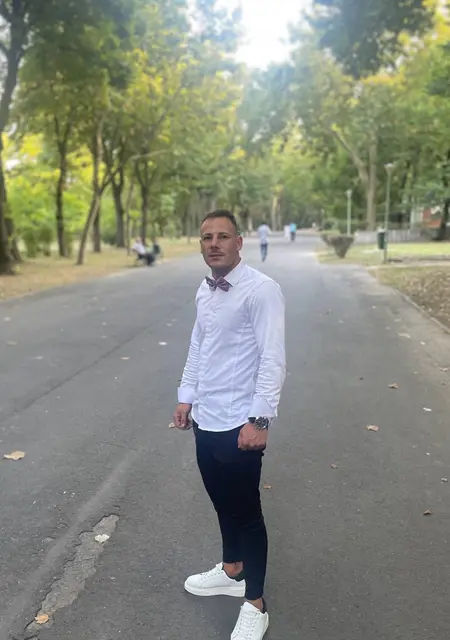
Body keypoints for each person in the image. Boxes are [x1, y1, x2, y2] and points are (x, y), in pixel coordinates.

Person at [173, 209, 286, 640]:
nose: (214, 244)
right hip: (206, 417)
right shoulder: (205, 291)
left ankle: (255, 604)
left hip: (240, 422)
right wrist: (187, 396)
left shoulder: (261, 290)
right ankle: (232, 569)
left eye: (223, 236)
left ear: (239, 242)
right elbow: (198, 346)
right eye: (207, 237)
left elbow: (273, 359)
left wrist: (259, 419)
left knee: (246, 512)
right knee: (221, 501)